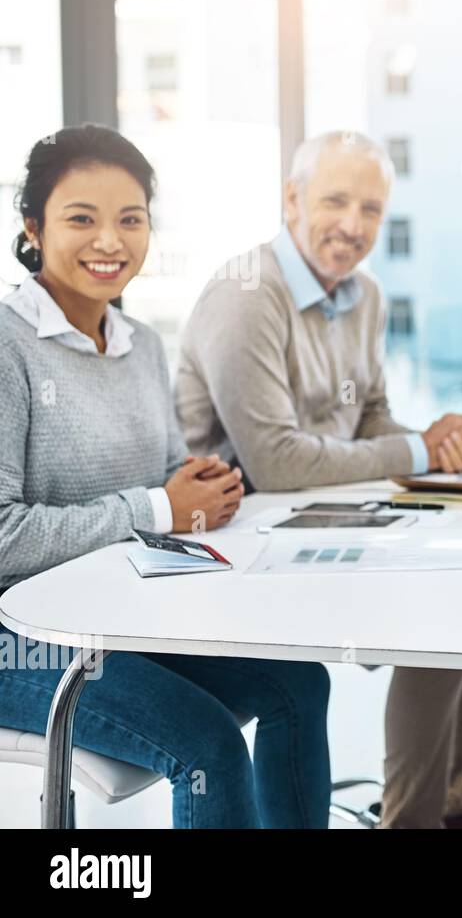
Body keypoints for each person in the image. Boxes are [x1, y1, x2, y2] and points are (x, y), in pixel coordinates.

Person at [175, 130, 462, 829]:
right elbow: (279, 464)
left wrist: (442, 443)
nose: (354, 225)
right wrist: (419, 452)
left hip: (327, 520)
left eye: (372, 209)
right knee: (446, 618)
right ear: (291, 200)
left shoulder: (366, 294)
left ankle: (457, 801)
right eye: (335, 201)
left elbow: (372, 418)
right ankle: (413, 820)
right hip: (241, 546)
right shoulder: (246, 293)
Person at [0, 124, 331, 827]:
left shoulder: (142, 344)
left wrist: (201, 484)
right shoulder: (7, 347)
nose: (109, 241)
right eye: (81, 219)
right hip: (21, 638)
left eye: (130, 219)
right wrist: (157, 506)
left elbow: (163, 476)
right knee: (207, 743)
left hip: (121, 614)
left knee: (298, 684)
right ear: (32, 226)